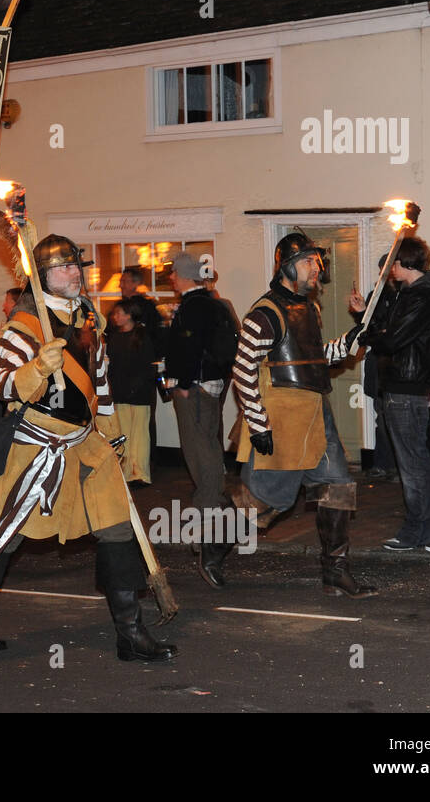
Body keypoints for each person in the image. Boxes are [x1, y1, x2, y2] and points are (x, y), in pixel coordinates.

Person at [0, 234, 178, 662]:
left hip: (85, 443)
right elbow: (3, 384)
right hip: (36, 446)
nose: (75, 273)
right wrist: (38, 367)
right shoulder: (23, 326)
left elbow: (100, 383)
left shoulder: (87, 317)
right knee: (6, 536)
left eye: (77, 266)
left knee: (117, 529)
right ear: (42, 276)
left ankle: (129, 632)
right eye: (63, 267)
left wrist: (112, 434)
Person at [209, 232, 375, 597]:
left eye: (317, 262)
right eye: (306, 262)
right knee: (267, 501)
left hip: (316, 412)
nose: (315, 268)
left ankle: (336, 570)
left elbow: (320, 358)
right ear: (286, 267)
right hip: (280, 418)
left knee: (336, 489)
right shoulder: (263, 314)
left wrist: (356, 335)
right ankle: (214, 547)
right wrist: (258, 424)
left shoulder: (311, 309)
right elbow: (242, 370)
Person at [361, 236, 430, 551]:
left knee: (412, 463)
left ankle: (417, 529)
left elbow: (393, 339)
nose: (388, 269)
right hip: (403, 385)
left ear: (404, 264)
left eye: (393, 263)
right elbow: (392, 330)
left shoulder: (419, 298)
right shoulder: (412, 294)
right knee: (415, 460)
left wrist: (365, 336)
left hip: (405, 386)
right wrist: (366, 319)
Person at [164, 251, 236, 585]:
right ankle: (217, 510)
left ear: (185, 275)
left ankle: (212, 517)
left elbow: (187, 350)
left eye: (174, 273)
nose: (171, 279)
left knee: (200, 454)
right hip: (213, 387)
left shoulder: (193, 308)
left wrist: (182, 384)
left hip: (195, 391)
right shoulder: (215, 305)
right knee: (209, 446)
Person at [347, 255, 400, 483]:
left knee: (398, 418)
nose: (384, 275)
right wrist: (363, 311)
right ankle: (383, 463)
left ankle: (399, 467)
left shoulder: (406, 296)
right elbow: (369, 329)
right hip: (379, 364)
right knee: (382, 417)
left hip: (397, 367)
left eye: (387, 270)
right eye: (381, 271)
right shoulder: (376, 295)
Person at [104, 296, 159, 483]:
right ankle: (125, 471)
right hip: (120, 391)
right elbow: (112, 366)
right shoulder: (114, 338)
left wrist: (136, 386)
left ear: (129, 316)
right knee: (123, 432)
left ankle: (141, 473)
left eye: (119, 313)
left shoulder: (142, 336)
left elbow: (148, 366)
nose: (115, 317)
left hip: (140, 392)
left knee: (140, 433)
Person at [0, 287, 23, 370]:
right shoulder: (7, 327)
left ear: (15, 305)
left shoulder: (19, 329)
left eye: (7, 301)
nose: (4, 305)